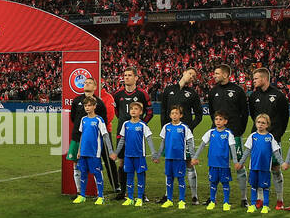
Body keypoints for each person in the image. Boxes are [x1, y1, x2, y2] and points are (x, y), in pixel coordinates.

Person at [159, 68, 205, 204]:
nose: (192, 77)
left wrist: (189, 127)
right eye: (191, 74)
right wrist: (164, 129)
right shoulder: (168, 90)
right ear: (184, 72)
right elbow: (163, 110)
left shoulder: (192, 93)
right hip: (170, 135)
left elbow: (199, 114)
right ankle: (168, 195)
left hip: (184, 135)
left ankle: (194, 196)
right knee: (170, 163)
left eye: (194, 76)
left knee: (189, 163)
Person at [246, 68, 289, 209]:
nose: (254, 81)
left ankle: (280, 199)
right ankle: (259, 199)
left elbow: (284, 117)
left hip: (273, 138)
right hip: (258, 139)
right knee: (258, 168)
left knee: (275, 168)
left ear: (264, 79)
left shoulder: (278, 95)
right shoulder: (253, 96)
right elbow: (253, 115)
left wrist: (277, 135)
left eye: (256, 78)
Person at [209, 64, 249, 207]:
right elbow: (213, 112)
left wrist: (239, 130)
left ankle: (244, 198)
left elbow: (244, 112)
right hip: (218, 136)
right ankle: (212, 197)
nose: (214, 76)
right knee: (214, 165)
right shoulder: (213, 91)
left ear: (225, 75)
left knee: (239, 166)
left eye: (217, 73)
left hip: (234, 134)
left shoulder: (237, 90)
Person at [112, 67, 154, 200]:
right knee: (122, 162)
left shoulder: (142, 94)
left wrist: (141, 125)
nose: (126, 77)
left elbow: (150, 112)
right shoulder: (118, 94)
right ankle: (122, 192)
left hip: (136, 134)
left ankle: (142, 193)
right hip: (122, 133)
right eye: (125, 75)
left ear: (136, 78)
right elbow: (117, 113)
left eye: (129, 75)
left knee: (139, 162)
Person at [194, 110, 241, 211]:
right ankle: (212, 201)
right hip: (213, 163)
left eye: (221, 119)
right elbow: (202, 145)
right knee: (213, 183)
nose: (218, 121)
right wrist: (195, 157)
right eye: (216, 119)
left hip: (224, 164)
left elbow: (233, 148)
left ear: (225, 121)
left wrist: (235, 162)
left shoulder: (228, 133)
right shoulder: (211, 132)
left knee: (225, 183)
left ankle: (226, 203)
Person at [73, 97, 111, 205]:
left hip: (94, 152)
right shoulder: (83, 119)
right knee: (83, 173)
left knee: (97, 173)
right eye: (85, 106)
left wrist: (110, 150)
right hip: (84, 151)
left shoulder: (99, 120)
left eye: (89, 105)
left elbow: (105, 135)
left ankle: (101, 196)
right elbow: (82, 136)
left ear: (94, 106)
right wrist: (79, 150)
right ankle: (82, 196)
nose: (87, 108)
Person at [244, 114, 283, 213]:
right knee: (253, 186)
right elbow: (247, 151)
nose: (260, 125)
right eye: (258, 122)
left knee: (265, 186)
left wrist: (282, 163)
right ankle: (253, 205)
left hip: (265, 167)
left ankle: (265, 205)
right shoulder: (252, 136)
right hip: (253, 166)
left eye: (263, 123)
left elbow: (276, 152)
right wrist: (241, 162)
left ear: (267, 125)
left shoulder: (270, 137)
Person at [158, 106, 195, 209]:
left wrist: (193, 157)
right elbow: (163, 142)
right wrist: (158, 154)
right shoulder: (166, 127)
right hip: (168, 157)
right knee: (169, 178)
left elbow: (190, 142)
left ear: (181, 115)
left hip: (179, 158)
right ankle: (169, 200)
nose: (174, 115)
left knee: (180, 178)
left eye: (176, 113)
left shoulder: (184, 128)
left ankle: (181, 201)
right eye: (172, 113)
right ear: (170, 115)